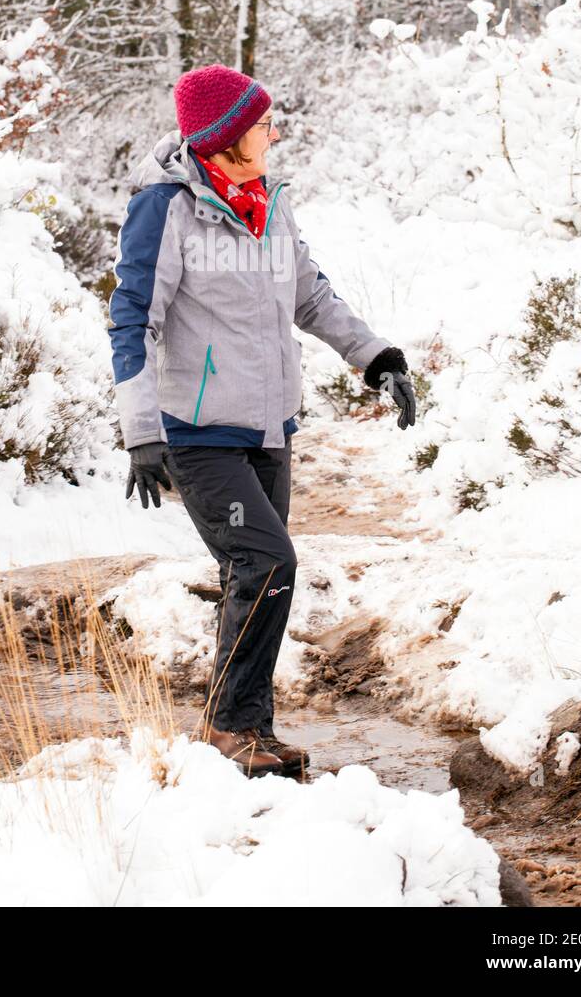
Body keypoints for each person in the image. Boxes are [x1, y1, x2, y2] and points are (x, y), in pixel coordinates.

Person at [108, 63, 416, 779]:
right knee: (266, 562)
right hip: (197, 430)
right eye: (262, 125)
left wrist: (377, 358)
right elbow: (133, 318)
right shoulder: (167, 209)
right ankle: (228, 730)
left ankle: (249, 729)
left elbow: (311, 295)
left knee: (259, 578)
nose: (273, 133)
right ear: (225, 137)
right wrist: (142, 428)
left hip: (270, 426)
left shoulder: (269, 203)